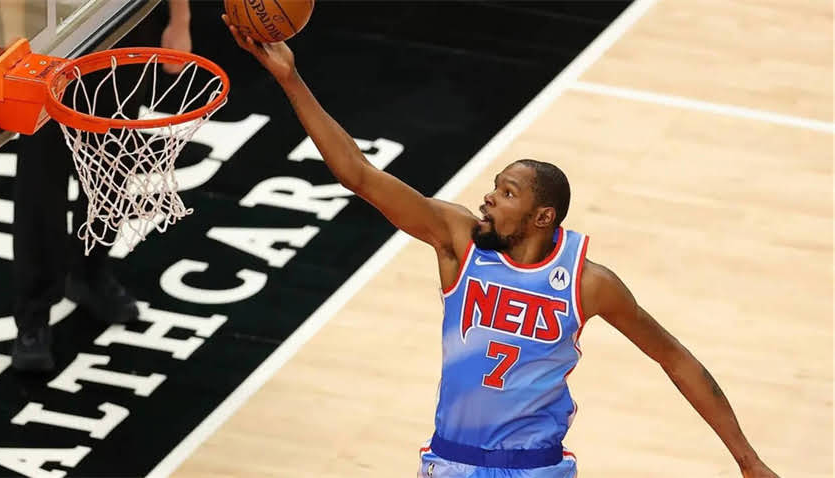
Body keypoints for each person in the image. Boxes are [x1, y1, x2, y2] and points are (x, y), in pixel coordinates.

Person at [222, 18, 780, 478]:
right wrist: (290, 79)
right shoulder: (458, 240)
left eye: (507, 192)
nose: (489, 197)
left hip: (536, 468)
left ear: (543, 216)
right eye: (494, 186)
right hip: (451, 462)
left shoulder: (587, 283)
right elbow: (359, 175)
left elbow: (673, 356)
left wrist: (747, 460)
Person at [9, 0, 193, 372]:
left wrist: (180, 20)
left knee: (112, 163)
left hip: (121, 24)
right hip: (50, 36)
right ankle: (33, 316)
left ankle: (90, 273)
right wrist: (15, 50)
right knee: (42, 182)